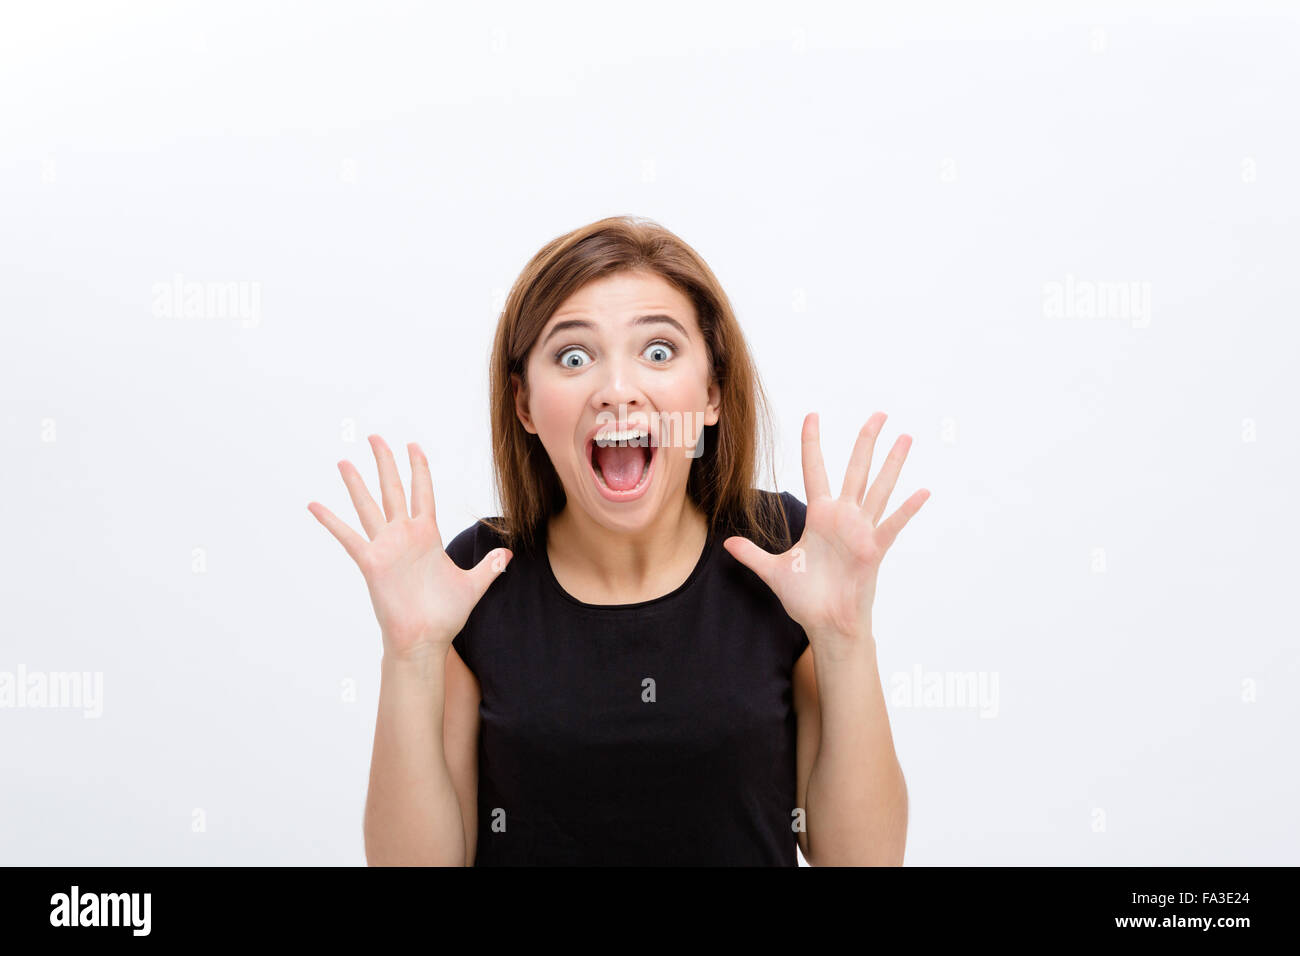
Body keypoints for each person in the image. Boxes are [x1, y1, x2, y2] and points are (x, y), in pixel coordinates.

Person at [308, 215, 931, 865]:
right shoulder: (473, 578)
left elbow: (862, 859)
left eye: (658, 351)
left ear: (712, 391)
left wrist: (844, 635)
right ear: (524, 404)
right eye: (573, 357)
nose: (616, 391)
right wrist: (410, 653)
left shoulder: (785, 555)